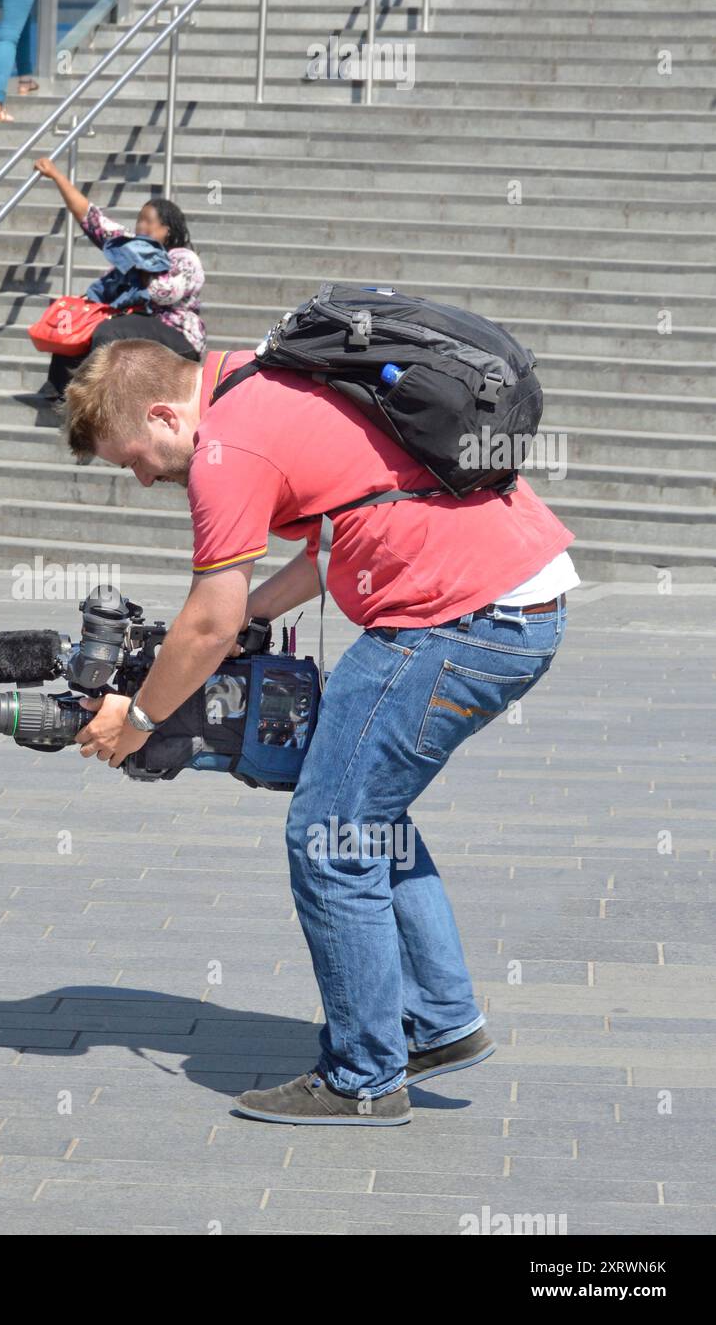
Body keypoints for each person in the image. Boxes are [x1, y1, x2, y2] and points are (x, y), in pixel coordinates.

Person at [63, 338, 579, 1127]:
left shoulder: (224, 449)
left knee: (330, 835)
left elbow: (207, 623)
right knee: (365, 815)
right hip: (514, 600)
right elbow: (332, 537)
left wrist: (137, 720)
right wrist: (260, 617)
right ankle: (438, 1022)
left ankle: (364, 1078)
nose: (142, 477)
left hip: (453, 620)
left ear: (165, 412)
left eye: (135, 456)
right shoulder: (260, 376)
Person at [33, 158, 206, 399]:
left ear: (166, 230)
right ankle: (62, 396)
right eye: (139, 219)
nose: (140, 225)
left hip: (176, 332)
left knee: (109, 332)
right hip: (135, 319)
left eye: (148, 221)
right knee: (76, 327)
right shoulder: (132, 246)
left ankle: (99, 399)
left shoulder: (184, 259)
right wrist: (56, 175)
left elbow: (164, 293)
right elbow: (92, 219)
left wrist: (145, 264)